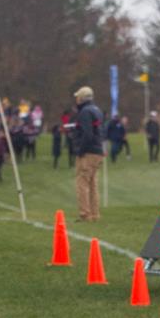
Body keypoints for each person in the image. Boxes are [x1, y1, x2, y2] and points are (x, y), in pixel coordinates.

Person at [71, 86, 105, 221]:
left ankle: (85, 214)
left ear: (81, 98)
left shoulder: (85, 112)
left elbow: (87, 134)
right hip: (97, 150)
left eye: (77, 97)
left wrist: (80, 150)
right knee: (92, 183)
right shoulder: (97, 110)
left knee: (82, 182)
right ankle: (95, 214)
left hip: (88, 151)